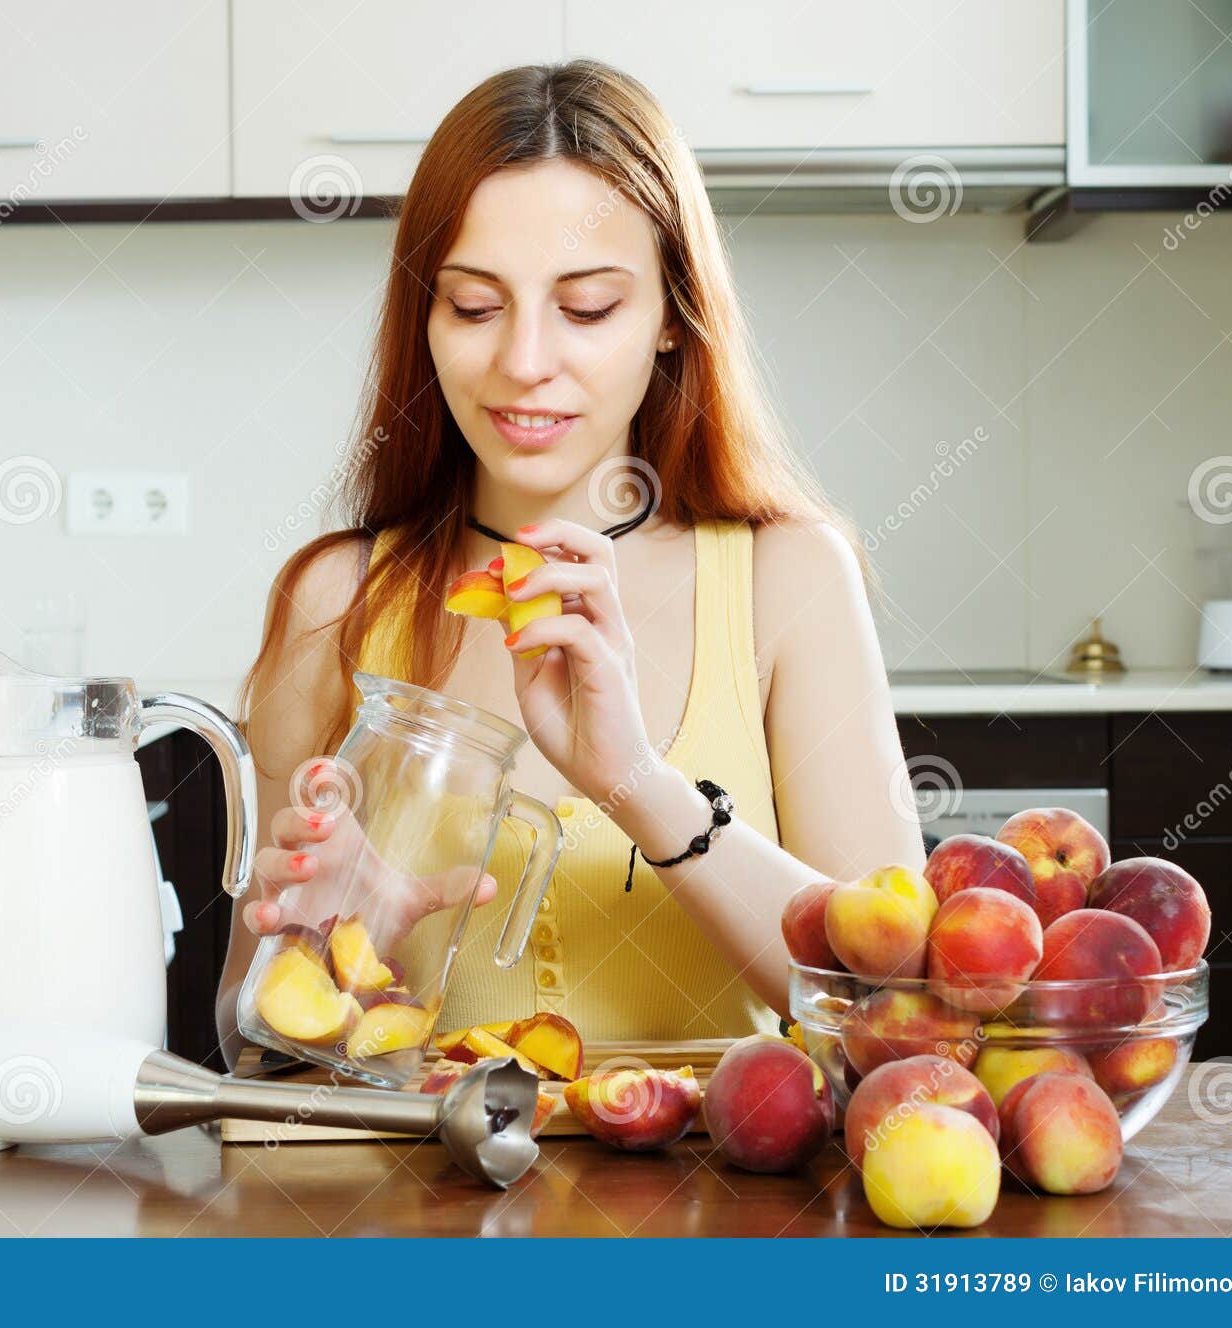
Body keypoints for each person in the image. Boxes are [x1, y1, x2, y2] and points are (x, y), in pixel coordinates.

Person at [215, 60, 924, 1066]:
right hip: (424, 1177)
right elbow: (247, 1044)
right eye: (474, 306)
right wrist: (337, 952)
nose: (523, 362)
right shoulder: (336, 600)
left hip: (723, 1177)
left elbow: (895, 1016)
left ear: (672, 315)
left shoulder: (790, 579)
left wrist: (637, 782)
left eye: (586, 308)